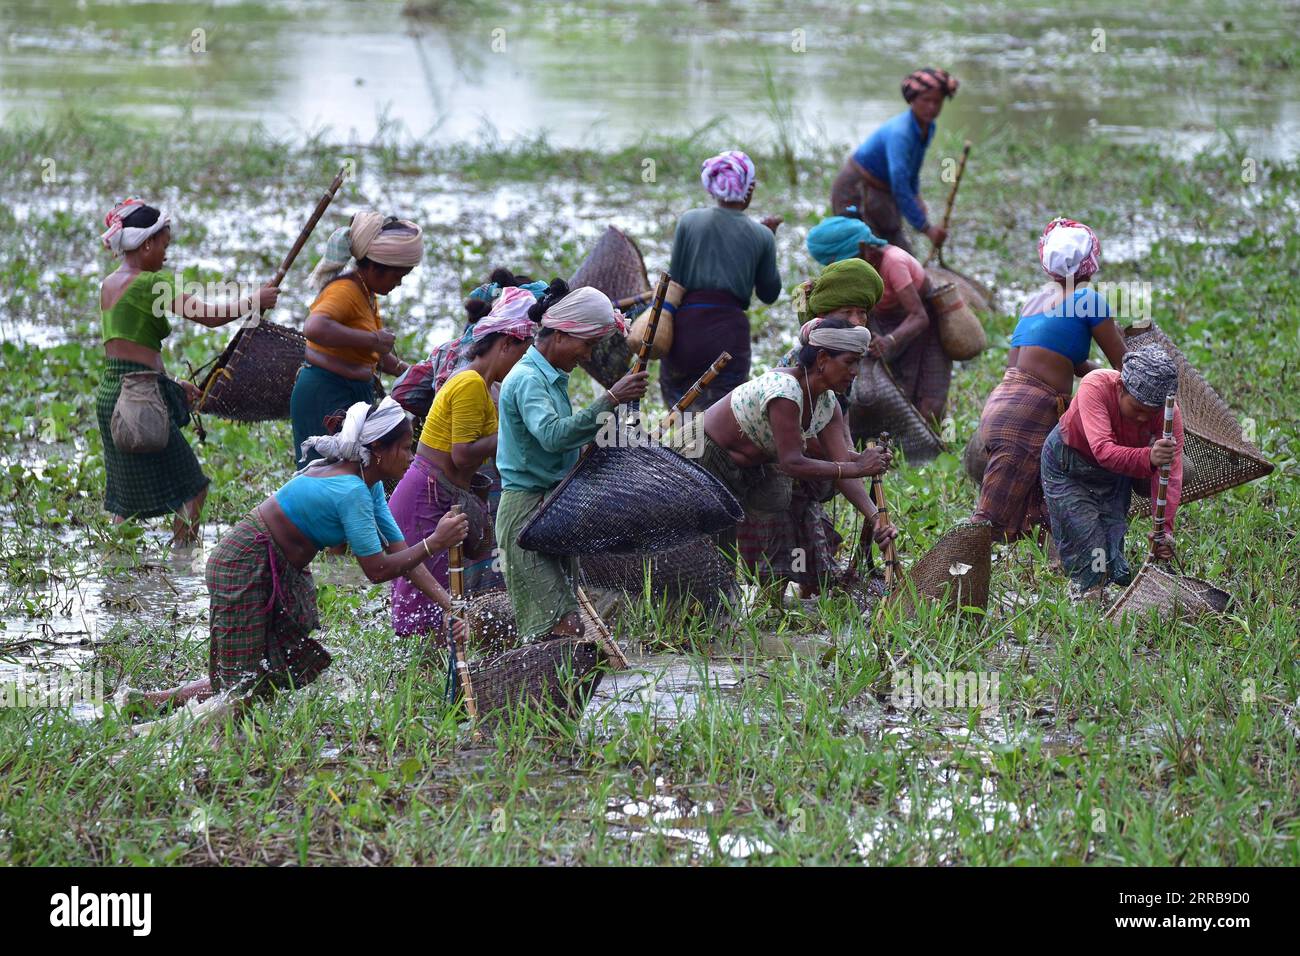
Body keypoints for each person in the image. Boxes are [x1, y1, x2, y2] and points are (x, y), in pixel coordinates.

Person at [129, 398, 469, 712]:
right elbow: (377, 570)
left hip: (276, 565)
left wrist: (448, 603)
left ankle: (152, 703)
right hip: (243, 563)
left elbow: (400, 553)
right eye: (407, 448)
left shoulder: (369, 482)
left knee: (267, 673)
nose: (411, 456)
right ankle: (165, 719)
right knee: (240, 686)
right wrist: (434, 542)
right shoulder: (351, 490)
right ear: (378, 449)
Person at [96, 198, 280, 543]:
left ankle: (117, 568)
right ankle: (183, 561)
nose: (165, 255)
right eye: (164, 246)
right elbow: (208, 316)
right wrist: (256, 300)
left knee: (124, 499)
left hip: (112, 396)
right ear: (146, 243)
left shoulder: (108, 284)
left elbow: (128, 352)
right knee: (192, 488)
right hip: (137, 400)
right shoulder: (150, 284)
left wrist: (172, 384)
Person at [495, 281, 649, 643]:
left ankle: (548, 698)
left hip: (553, 510)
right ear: (562, 335)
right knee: (559, 628)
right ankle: (532, 695)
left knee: (564, 625)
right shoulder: (528, 379)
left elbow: (563, 445)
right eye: (588, 344)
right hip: (525, 515)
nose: (588, 356)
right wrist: (610, 398)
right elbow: (552, 435)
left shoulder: (553, 379)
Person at [690, 318, 897, 587]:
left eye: (858, 362)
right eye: (849, 362)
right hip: (702, 454)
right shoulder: (786, 391)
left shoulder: (827, 403)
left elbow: (841, 465)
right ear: (822, 358)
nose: (856, 371)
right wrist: (857, 466)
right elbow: (791, 463)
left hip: (744, 469)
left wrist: (876, 519)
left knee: (742, 541)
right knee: (712, 557)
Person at [388, 290, 536, 637]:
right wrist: (514, 434)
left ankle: (436, 675)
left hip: (441, 493)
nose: (521, 365)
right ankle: (416, 678)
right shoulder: (470, 383)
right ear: (504, 345)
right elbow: (463, 453)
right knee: (423, 605)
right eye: (521, 354)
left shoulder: (483, 385)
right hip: (426, 497)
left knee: (441, 595)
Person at [973, 218, 1127, 541]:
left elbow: (1052, 359)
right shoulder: (1089, 300)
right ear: (1091, 265)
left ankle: (1058, 562)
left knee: (1044, 491)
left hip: (1000, 405)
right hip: (1031, 413)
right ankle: (953, 576)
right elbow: (1124, 365)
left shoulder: (1034, 302)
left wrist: (1091, 372)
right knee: (987, 524)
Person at [1041, 346, 1183, 600]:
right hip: (1068, 466)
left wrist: (1164, 530)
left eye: (1149, 414)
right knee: (1088, 537)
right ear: (1120, 387)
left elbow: (1170, 473)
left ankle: (1101, 591)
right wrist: (1148, 456)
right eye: (1136, 408)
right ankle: (1087, 598)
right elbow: (1103, 451)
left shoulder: (1169, 416)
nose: (1142, 419)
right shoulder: (1095, 386)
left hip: (1114, 474)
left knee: (1110, 538)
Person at [290, 211, 424, 468]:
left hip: (349, 391)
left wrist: (414, 374)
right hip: (326, 393)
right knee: (329, 474)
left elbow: (375, 355)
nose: (399, 283)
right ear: (375, 267)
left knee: (355, 471)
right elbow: (314, 326)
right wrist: (373, 339)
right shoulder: (345, 290)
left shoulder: (366, 293)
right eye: (397, 276)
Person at [661, 150, 783, 409]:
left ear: (712, 186)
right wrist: (767, 240)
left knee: (682, 416)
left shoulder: (689, 221)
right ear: (750, 188)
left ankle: (678, 449)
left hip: (684, 333)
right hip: (728, 337)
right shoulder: (761, 235)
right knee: (720, 417)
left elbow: (676, 280)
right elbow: (769, 293)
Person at [807, 215, 949, 421]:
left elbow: (919, 316)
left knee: (928, 403)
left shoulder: (894, 262)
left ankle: (937, 443)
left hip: (920, 328)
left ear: (865, 247)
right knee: (896, 392)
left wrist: (890, 341)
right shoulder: (859, 269)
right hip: (884, 323)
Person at [830, 68, 959, 256]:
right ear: (912, 100)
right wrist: (926, 228)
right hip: (855, 189)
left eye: (937, 101)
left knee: (901, 255)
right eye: (926, 100)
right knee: (865, 254)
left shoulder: (928, 127)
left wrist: (916, 196)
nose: (932, 107)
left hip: (881, 191)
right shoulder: (901, 133)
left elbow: (912, 169)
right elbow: (899, 183)